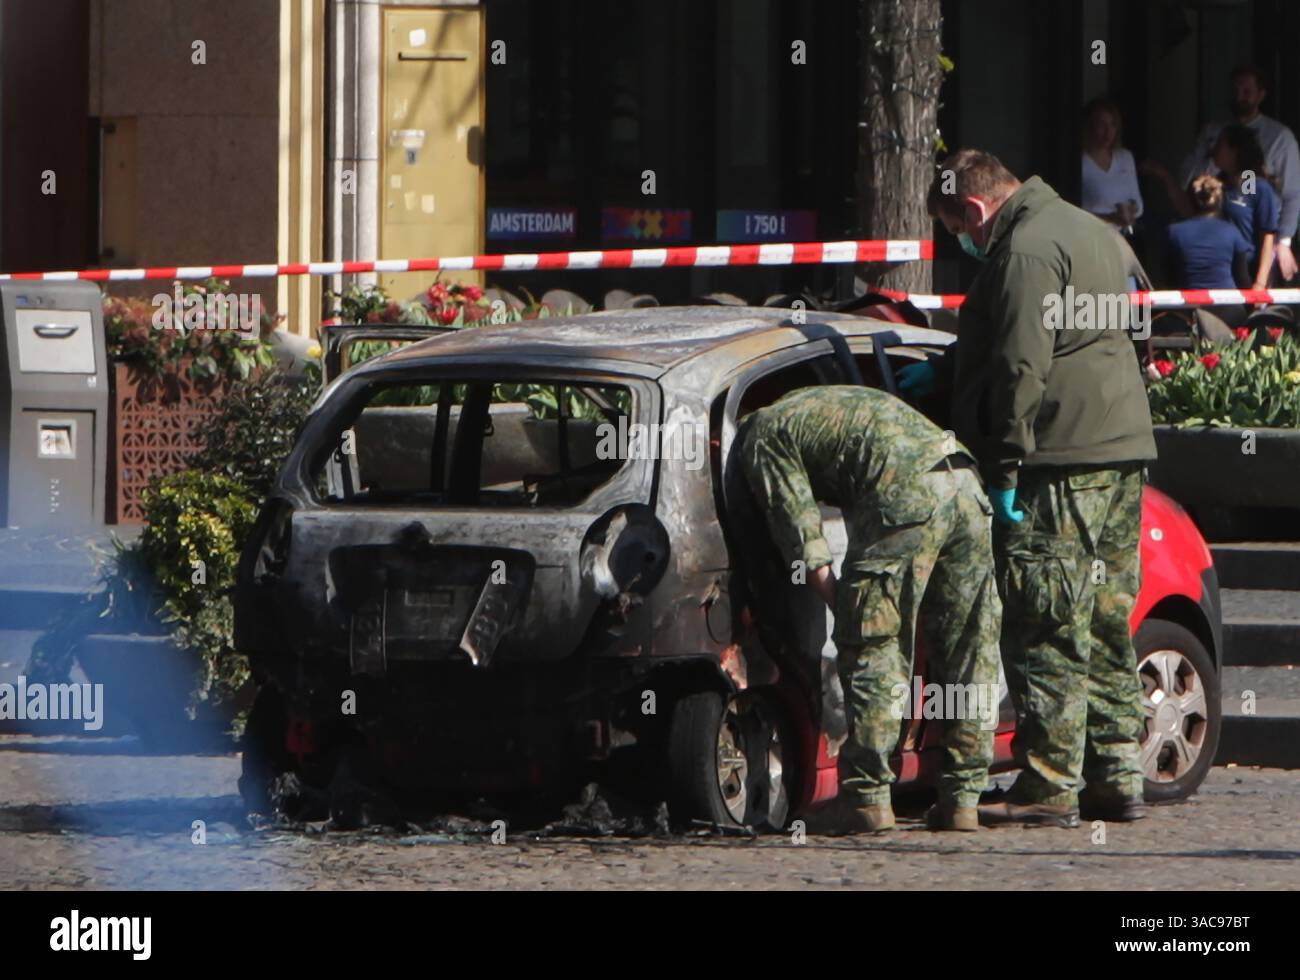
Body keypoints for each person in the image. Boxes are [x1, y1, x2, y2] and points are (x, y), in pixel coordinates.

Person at [906, 149, 1157, 828]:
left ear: (977, 209)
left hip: (1059, 458)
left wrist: (1006, 466)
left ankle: (1048, 782)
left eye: (959, 228)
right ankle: (1115, 774)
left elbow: (1022, 363)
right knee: (1105, 617)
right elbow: (1122, 329)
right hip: (1122, 450)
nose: (964, 243)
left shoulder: (1023, 251)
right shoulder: (1090, 230)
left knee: (1043, 617)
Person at [736, 386, 1001, 834]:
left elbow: (801, 531)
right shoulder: (820, 404)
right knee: (970, 647)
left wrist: (843, 603)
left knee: (873, 647)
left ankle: (866, 799)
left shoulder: (762, 434)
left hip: (906, 494)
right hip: (965, 482)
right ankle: (962, 799)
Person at [1164, 65, 1300, 281]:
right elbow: (1188, 185)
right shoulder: (1220, 166)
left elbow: (1265, 212)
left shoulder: (1275, 146)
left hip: (1250, 259)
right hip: (1219, 258)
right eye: (1235, 90)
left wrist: (1282, 244)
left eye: (1247, 91)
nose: (1239, 97)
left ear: (1261, 94)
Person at [1080, 97, 1143, 230]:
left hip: (1122, 237)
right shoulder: (1082, 163)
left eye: (1113, 125)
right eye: (1102, 125)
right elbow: (1075, 209)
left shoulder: (1125, 158)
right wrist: (1110, 217)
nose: (1108, 132)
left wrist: (1131, 210)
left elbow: (1138, 203)